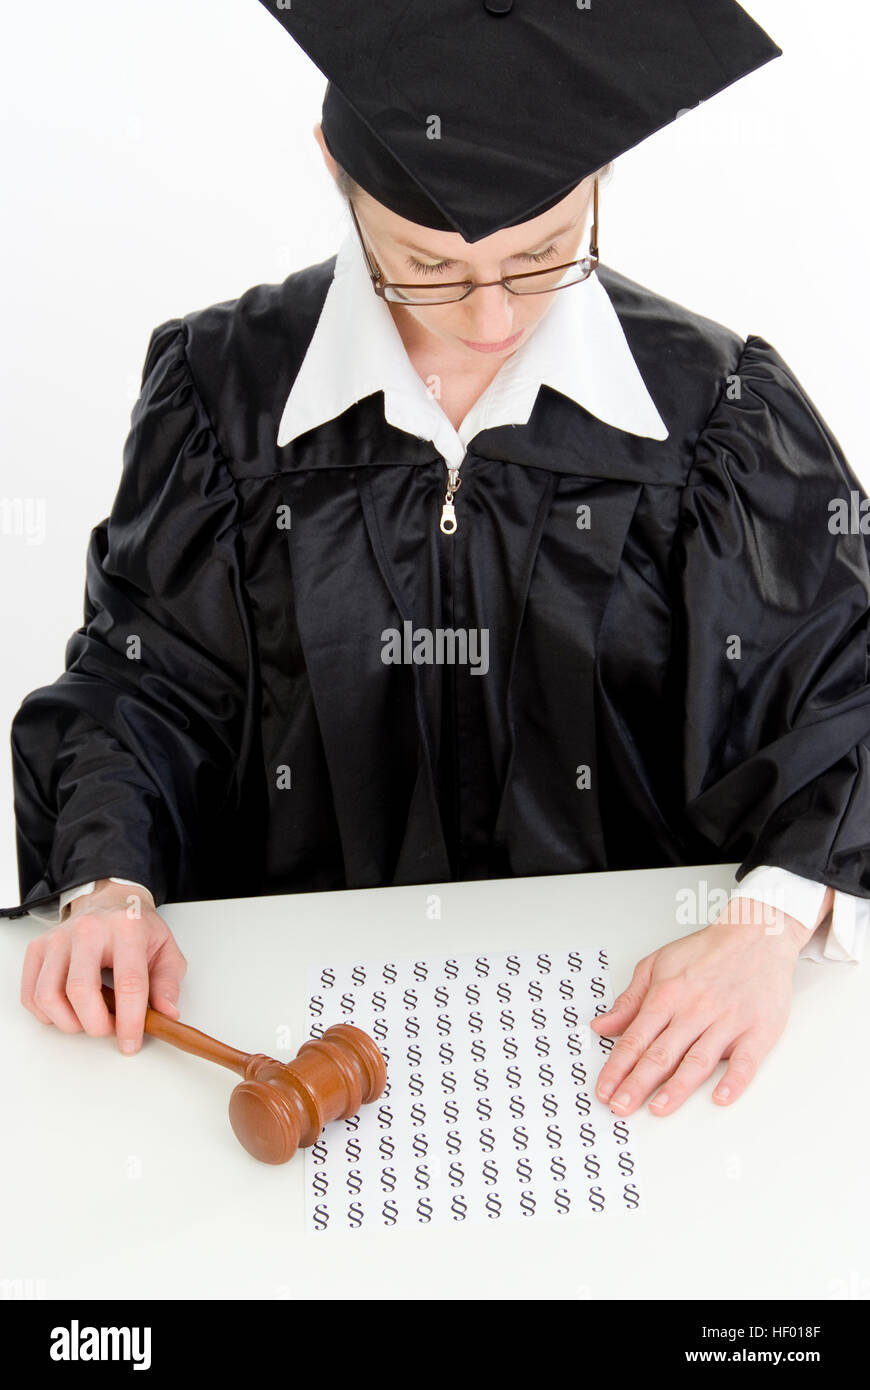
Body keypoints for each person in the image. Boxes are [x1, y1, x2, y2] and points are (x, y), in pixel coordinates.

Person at [4, 1, 867, 1123]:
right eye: (426, 267)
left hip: (627, 1026)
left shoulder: (716, 415)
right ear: (336, 173)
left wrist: (767, 924)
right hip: (291, 1008)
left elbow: (844, 694)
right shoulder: (221, 397)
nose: (497, 321)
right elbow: (142, 683)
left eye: (547, 254)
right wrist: (108, 878)